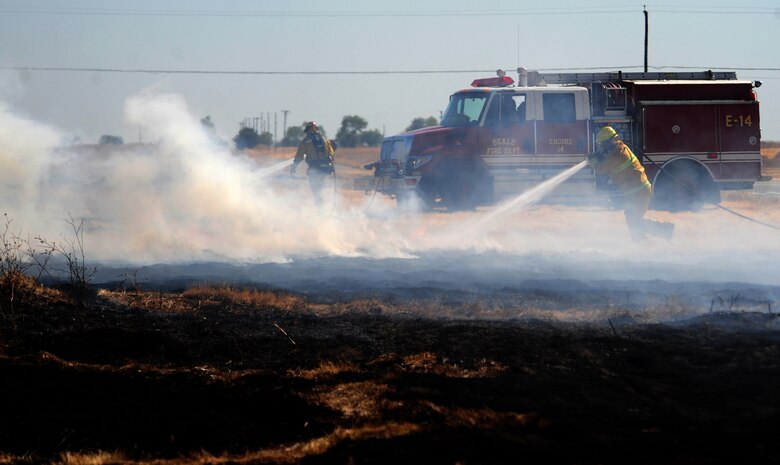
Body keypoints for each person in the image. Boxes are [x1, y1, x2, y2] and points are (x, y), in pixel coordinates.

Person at [588, 126, 675, 241]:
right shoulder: (621, 148)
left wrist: (593, 160)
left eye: (603, 144)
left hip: (638, 191)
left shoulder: (616, 155)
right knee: (632, 219)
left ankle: (660, 232)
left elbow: (600, 169)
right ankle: (650, 237)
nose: (602, 147)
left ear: (609, 142)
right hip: (637, 190)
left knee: (633, 220)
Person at [291, 121, 336, 205]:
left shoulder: (305, 141)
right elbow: (332, 151)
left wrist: (293, 168)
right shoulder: (324, 139)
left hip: (314, 169)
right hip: (325, 168)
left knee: (316, 189)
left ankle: (320, 207)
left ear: (307, 130)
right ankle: (321, 203)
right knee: (320, 186)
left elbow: (299, 157)